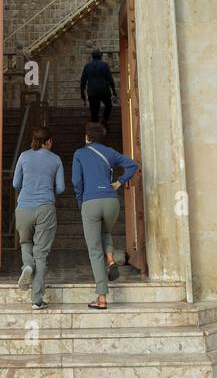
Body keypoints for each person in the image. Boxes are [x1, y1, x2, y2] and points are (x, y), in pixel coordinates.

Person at [72, 121, 138, 310]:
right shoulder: (110, 152)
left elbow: (76, 181)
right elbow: (133, 165)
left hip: (90, 202)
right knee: (105, 231)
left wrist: (81, 201)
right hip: (111, 202)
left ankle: (101, 298)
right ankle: (110, 259)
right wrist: (119, 182)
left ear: (87, 137)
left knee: (94, 251)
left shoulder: (79, 153)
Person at [12, 126, 64, 309]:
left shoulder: (24, 156)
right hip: (45, 208)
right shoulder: (56, 159)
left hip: (24, 207)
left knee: (26, 243)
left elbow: (15, 183)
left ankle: (27, 265)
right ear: (48, 141)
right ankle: (36, 300)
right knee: (41, 254)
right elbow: (61, 188)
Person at [79, 48, 116, 128]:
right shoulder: (104, 65)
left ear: (92, 57)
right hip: (104, 91)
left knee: (94, 112)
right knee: (108, 106)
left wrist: (82, 93)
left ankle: (95, 130)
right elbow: (110, 79)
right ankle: (104, 120)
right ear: (101, 56)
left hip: (92, 92)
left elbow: (83, 81)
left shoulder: (87, 66)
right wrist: (114, 91)